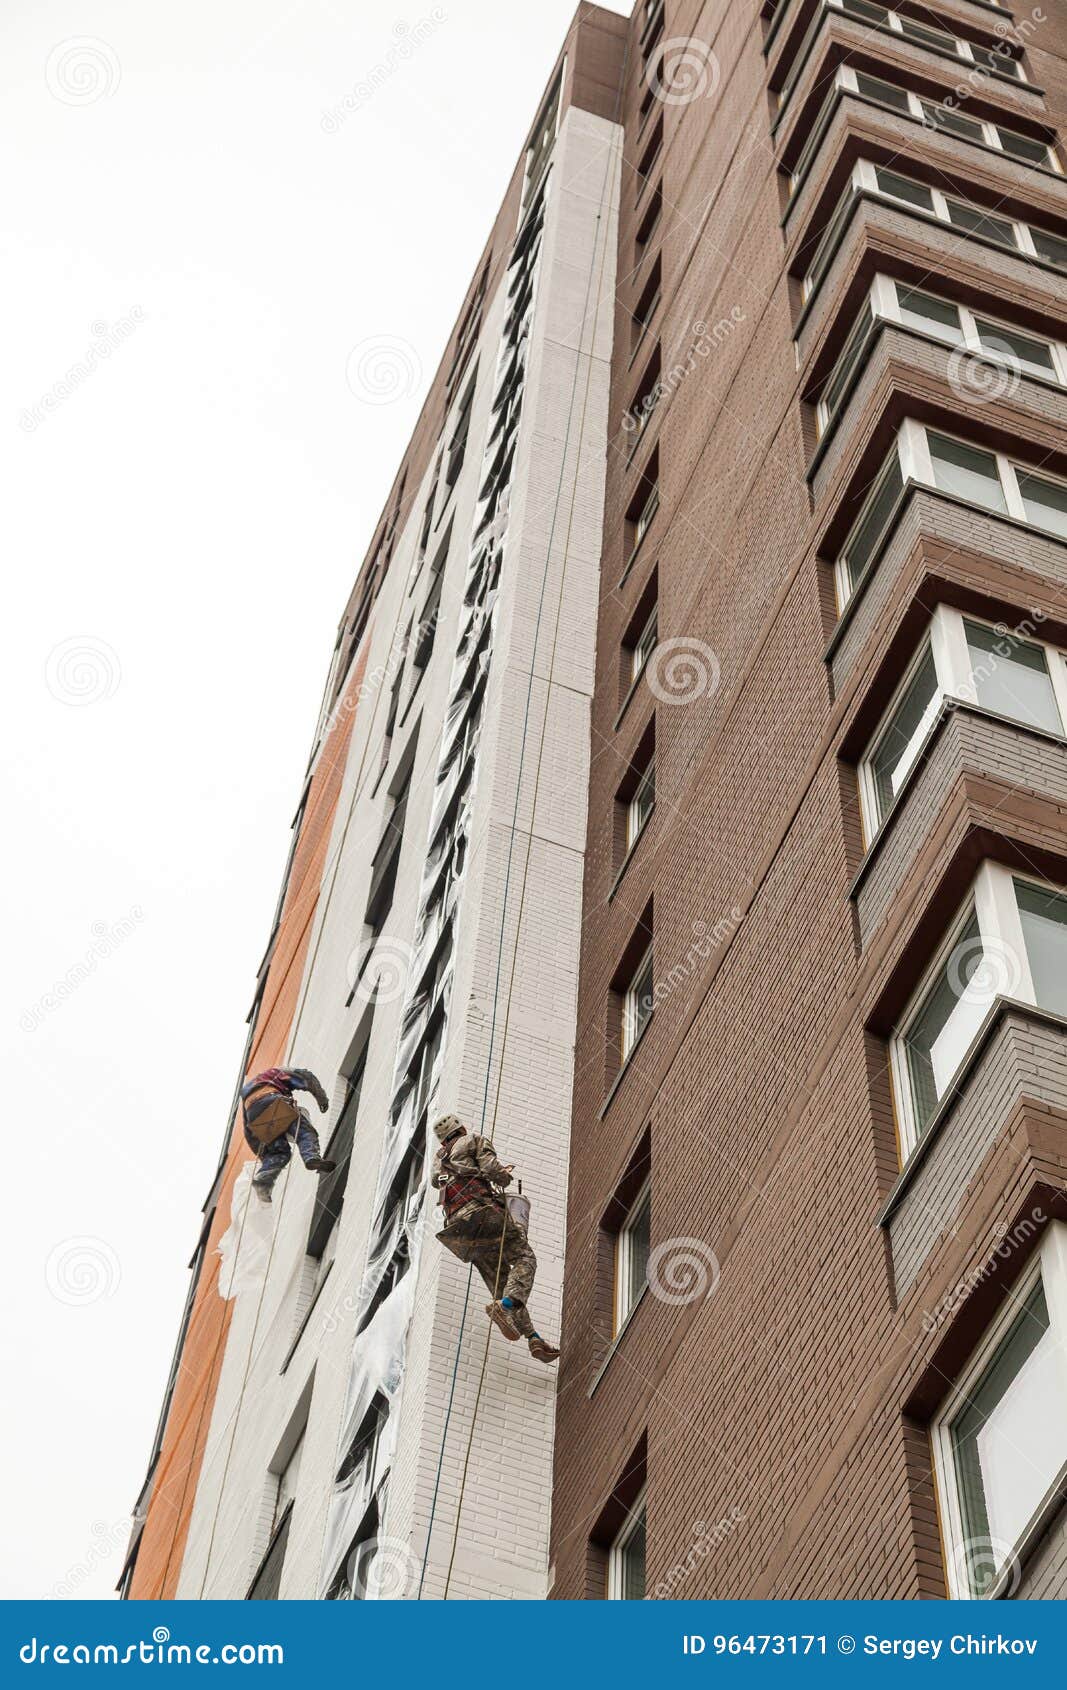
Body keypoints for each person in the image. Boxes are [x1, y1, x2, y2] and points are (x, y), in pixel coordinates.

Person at [431, 1113, 560, 1363]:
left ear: (442, 1140)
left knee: (502, 1285)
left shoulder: (439, 1159)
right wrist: (504, 1176)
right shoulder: (474, 1139)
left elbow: (437, 1183)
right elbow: (491, 1169)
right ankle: (507, 1308)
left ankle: (533, 1337)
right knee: (524, 1257)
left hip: (459, 1228)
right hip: (482, 1213)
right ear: (461, 1128)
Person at [241, 1065, 335, 1202]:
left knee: (279, 1154)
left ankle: (263, 1181)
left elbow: (248, 1130)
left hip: (254, 1115)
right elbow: (306, 1077)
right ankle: (311, 1157)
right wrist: (322, 1099)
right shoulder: (276, 1073)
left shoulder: (248, 1090)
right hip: (272, 1100)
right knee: (304, 1130)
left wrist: (264, 1156)